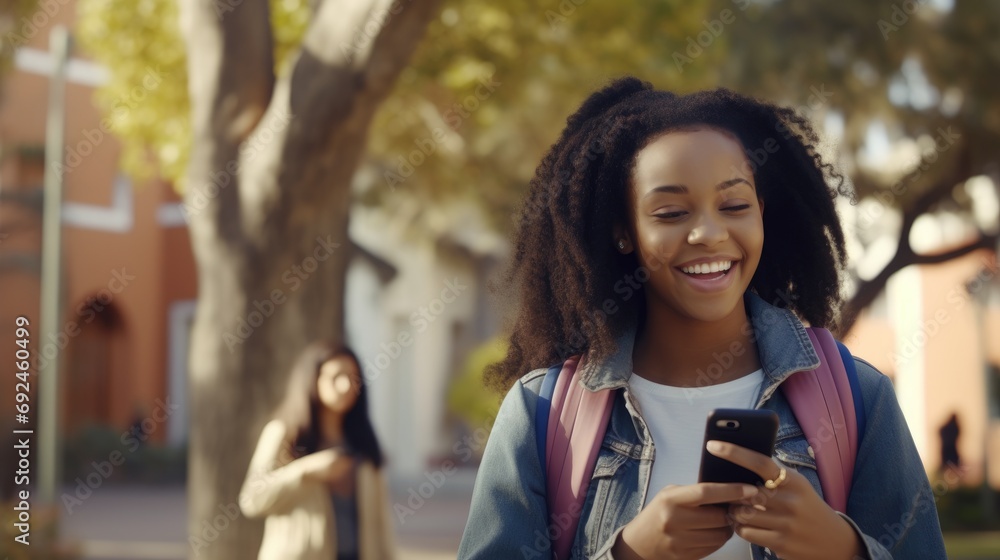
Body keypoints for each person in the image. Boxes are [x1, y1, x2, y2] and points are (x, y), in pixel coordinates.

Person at [457, 77, 945, 559]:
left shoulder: (859, 399)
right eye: (670, 212)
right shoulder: (540, 414)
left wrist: (843, 550)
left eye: (734, 205)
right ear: (624, 232)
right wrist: (627, 555)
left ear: (761, 216)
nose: (709, 233)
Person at [240, 342, 394, 560]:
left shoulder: (363, 441)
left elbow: (381, 525)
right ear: (312, 380)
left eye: (352, 377)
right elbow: (252, 500)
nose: (345, 386)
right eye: (335, 377)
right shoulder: (284, 434)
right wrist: (305, 470)